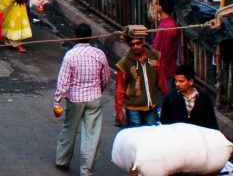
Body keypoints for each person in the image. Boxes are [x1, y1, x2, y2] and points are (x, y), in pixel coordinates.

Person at [54, 23, 110, 176]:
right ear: (90, 37)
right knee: (91, 135)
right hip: (94, 98)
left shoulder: (70, 56)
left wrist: (57, 101)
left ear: (75, 36)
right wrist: (100, 89)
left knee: (69, 128)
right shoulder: (99, 54)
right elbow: (105, 78)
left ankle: (62, 160)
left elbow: (63, 81)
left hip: (75, 99)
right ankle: (86, 170)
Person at [114, 24, 162, 127]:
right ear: (128, 45)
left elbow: (160, 78)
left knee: (152, 137)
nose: (135, 47)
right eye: (132, 45)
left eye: (138, 43)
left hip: (151, 106)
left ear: (143, 41)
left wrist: (165, 95)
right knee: (136, 137)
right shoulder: (124, 63)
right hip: (133, 109)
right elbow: (120, 89)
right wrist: (119, 111)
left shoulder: (155, 56)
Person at [159, 63, 217, 129]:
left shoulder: (204, 99)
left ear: (191, 82)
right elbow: (165, 125)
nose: (177, 84)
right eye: (176, 81)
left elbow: (212, 125)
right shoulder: (169, 99)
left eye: (181, 81)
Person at [152, 0, 181, 100]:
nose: (155, 6)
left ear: (161, 7)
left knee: (163, 105)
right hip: (163, 70)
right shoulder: (166, 24)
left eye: (157, 3)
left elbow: (164, 54)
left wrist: (159, 74)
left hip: (165, 72)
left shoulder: (168, 27)